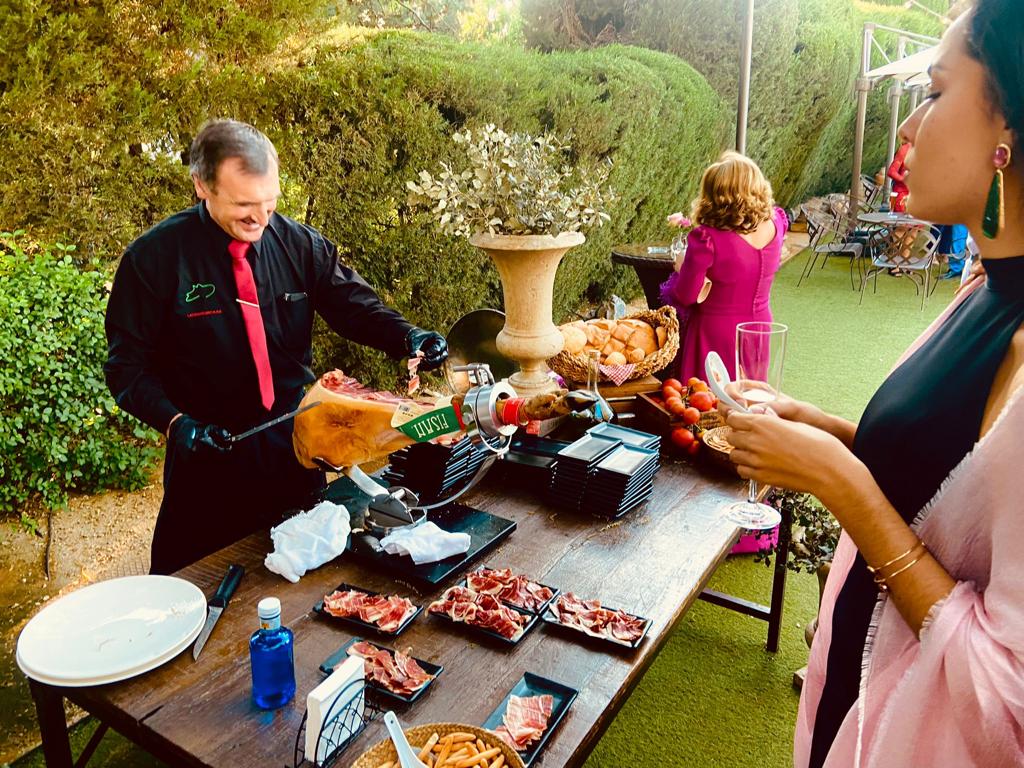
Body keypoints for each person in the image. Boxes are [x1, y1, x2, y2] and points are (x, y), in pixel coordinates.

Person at [721, 3, 1024, 765]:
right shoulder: (986, 289)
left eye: (935, 89)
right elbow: (946, 487)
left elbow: (1007, 704)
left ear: (1008, 127)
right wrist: (821, 428)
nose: (908, 129)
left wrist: (840, 484)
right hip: (856, 699)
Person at [105, 119, 449, 575]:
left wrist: (408, 336)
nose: (260, 219)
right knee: (193, 595)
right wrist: (175, 423)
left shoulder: (298, 244)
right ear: (201, 186)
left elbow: (354, 306)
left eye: (269, 203)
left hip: (294, 453)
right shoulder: (153, 260)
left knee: (304, 592)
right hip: (206, 466)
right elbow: (126, 368)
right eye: (244, 204)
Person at [659, 151, 788, 383]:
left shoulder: (707, 239)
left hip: (715, 332)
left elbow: (686, 295)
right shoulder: (776, 223)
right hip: (759, 327)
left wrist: (681, 268)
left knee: (707, 402)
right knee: (749, 399)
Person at [887, 141, 911, 212]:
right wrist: (904, 179)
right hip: (902, 193)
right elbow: (891, 171)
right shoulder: (905, 149)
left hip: (917, 195)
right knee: (902, 221)